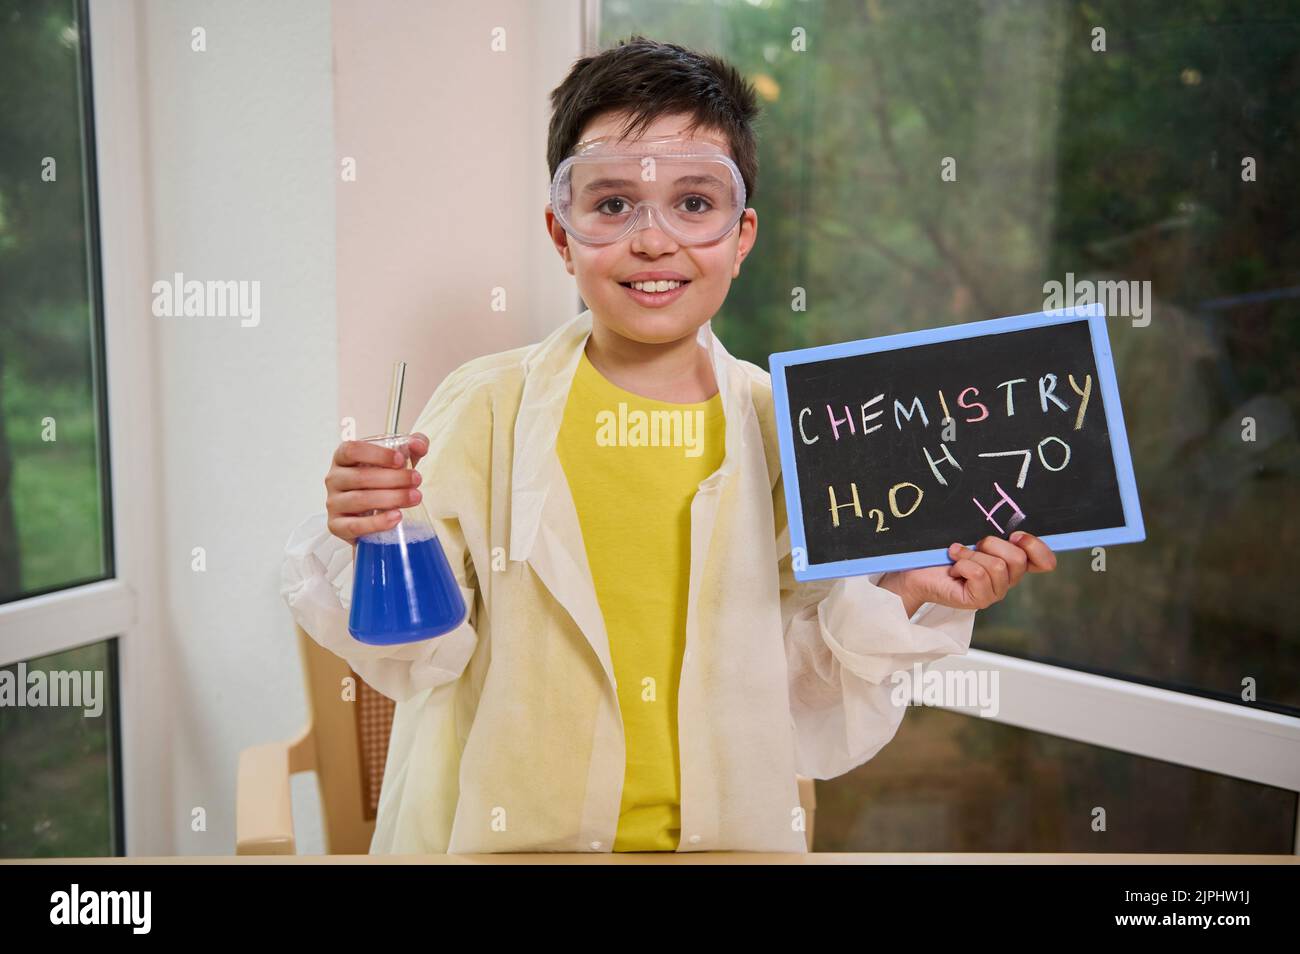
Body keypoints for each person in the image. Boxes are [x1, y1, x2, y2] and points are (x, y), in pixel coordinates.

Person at [280, 35, 1057, 855]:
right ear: (560, 231)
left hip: (725, 848)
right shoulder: (483, 408)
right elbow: (423, 657)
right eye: (611, 204)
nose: (654, 241)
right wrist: (373, 536)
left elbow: (797, 703)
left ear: (742, 234)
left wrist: (898, 592)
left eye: (695, 203)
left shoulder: (786, 428)